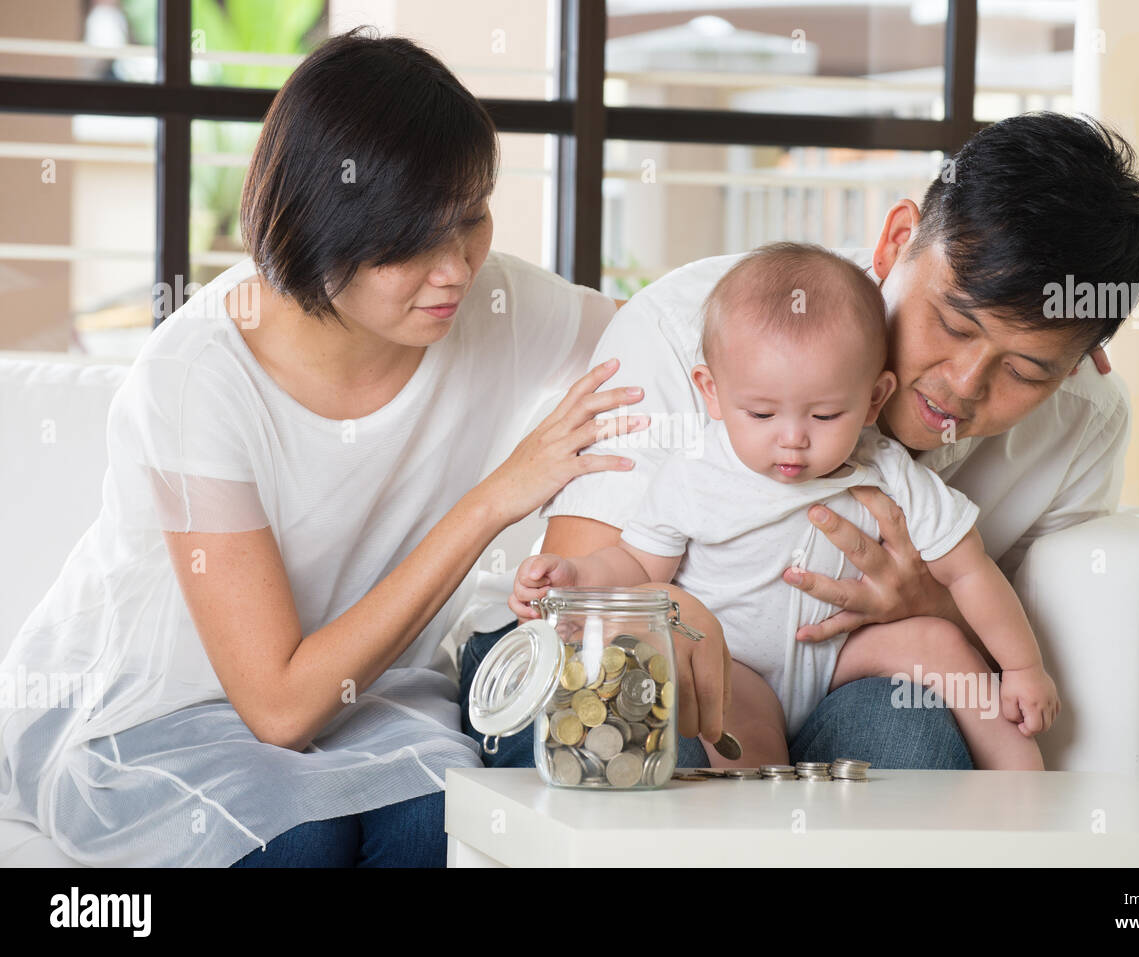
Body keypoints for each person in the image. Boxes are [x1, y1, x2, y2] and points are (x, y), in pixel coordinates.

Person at [0, 29, 679, 868]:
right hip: (155, 714)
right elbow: (279, 708)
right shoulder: (196, 379)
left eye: (470, 218)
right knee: (301, 843)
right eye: (408, 243)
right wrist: (496, 498)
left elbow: (671, 337)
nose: (456, 268)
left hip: (368, 703)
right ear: (316, 229)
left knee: (440, 833)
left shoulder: (485, 299)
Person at [460, 111, 1139, 772]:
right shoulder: (694, 332)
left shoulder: (1082, 414)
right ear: (896, 241)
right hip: (634, 647)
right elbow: (581, 617)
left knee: (908, 730)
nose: (965, 384)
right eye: (953, 324)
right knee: (626, 720)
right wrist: (675, 617)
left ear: (1076, 361)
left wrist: (931, 605)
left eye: (1026, 369)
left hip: (845, 674)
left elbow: (1033, 649)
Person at [512, 243, 1058, 771]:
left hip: (842, 654)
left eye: (824, 417)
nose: (792, 440)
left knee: (940, 644)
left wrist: (1022, 667)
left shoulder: (890, 470)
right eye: (762, 414)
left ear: (873, 398)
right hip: (736, 659)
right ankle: (765, 835)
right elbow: (636, 566)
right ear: (713, 392)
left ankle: (1025, 794)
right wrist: (576, 575)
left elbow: (969, 571)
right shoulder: (697, 473)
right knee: (736, 726)